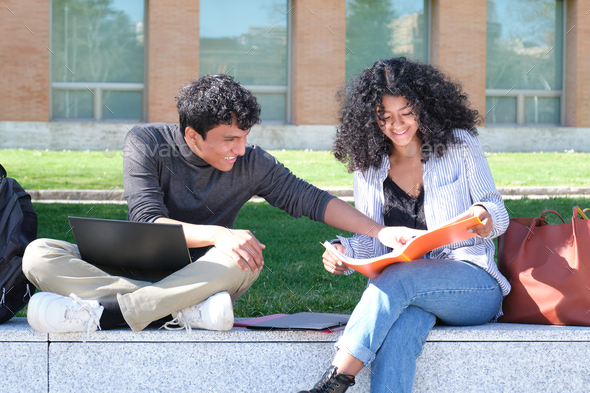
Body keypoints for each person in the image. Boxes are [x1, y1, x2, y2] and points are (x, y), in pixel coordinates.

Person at [22, 74, 403, 336]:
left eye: (245, 137)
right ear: (192, 134)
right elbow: (148, 220)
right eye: (229, 139)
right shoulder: (146, 143)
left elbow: (312, 199)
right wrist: (220, 233)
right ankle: (179, 312)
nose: (240, 149)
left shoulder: (252, 162)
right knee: (38, 254)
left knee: (243, 257)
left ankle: (112, 314)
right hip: (143, 269)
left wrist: (379, 231)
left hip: (206, 275)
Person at [297, 58, 511, 393]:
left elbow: (497, 210)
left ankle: (335, 379)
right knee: (399, 332)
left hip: (472, 284)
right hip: (410, 294)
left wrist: (485, 215)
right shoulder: (369, 166)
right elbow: (369, 239)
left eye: (406, 112)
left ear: (424, 106)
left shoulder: (458, 145)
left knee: (399, 277)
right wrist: (343, 251)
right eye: (385, 117)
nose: (397, 125)